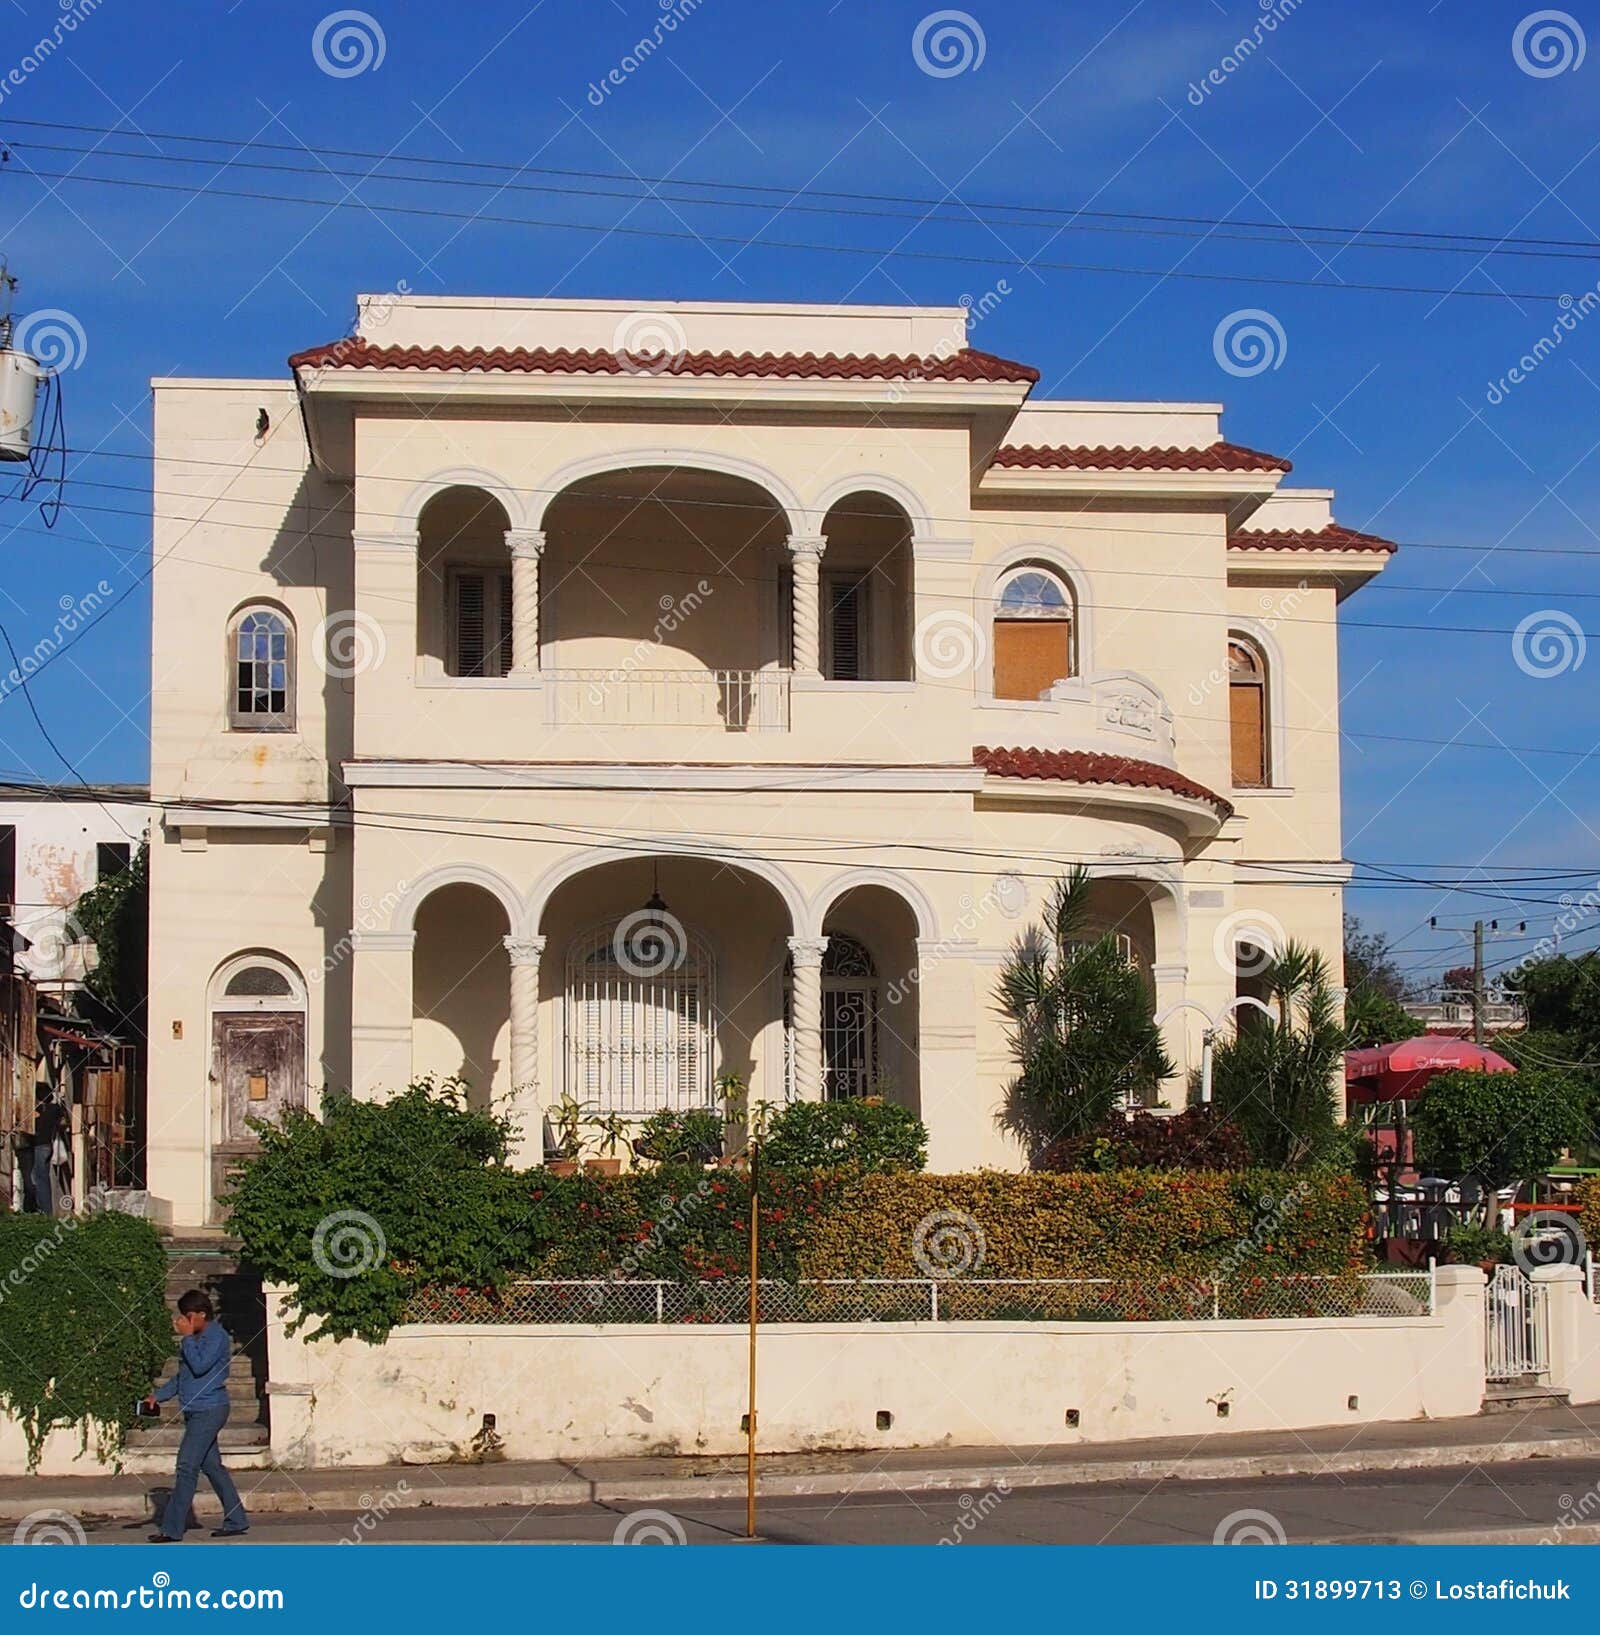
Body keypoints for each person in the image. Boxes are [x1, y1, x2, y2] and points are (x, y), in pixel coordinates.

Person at [144, 1290, 250, 1541]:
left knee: (186, 1466)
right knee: (212, 1466)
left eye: (188, 1316)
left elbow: (201, 1366)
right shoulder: (196, 1337)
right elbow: (184, 1376)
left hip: (210, 1409)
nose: (183, 1321)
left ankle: (171, 1529)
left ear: (202, 1315)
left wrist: (187, 1338)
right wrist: (157, 1396)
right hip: (196, 1410)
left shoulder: (216, 1337)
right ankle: (237, 1519)